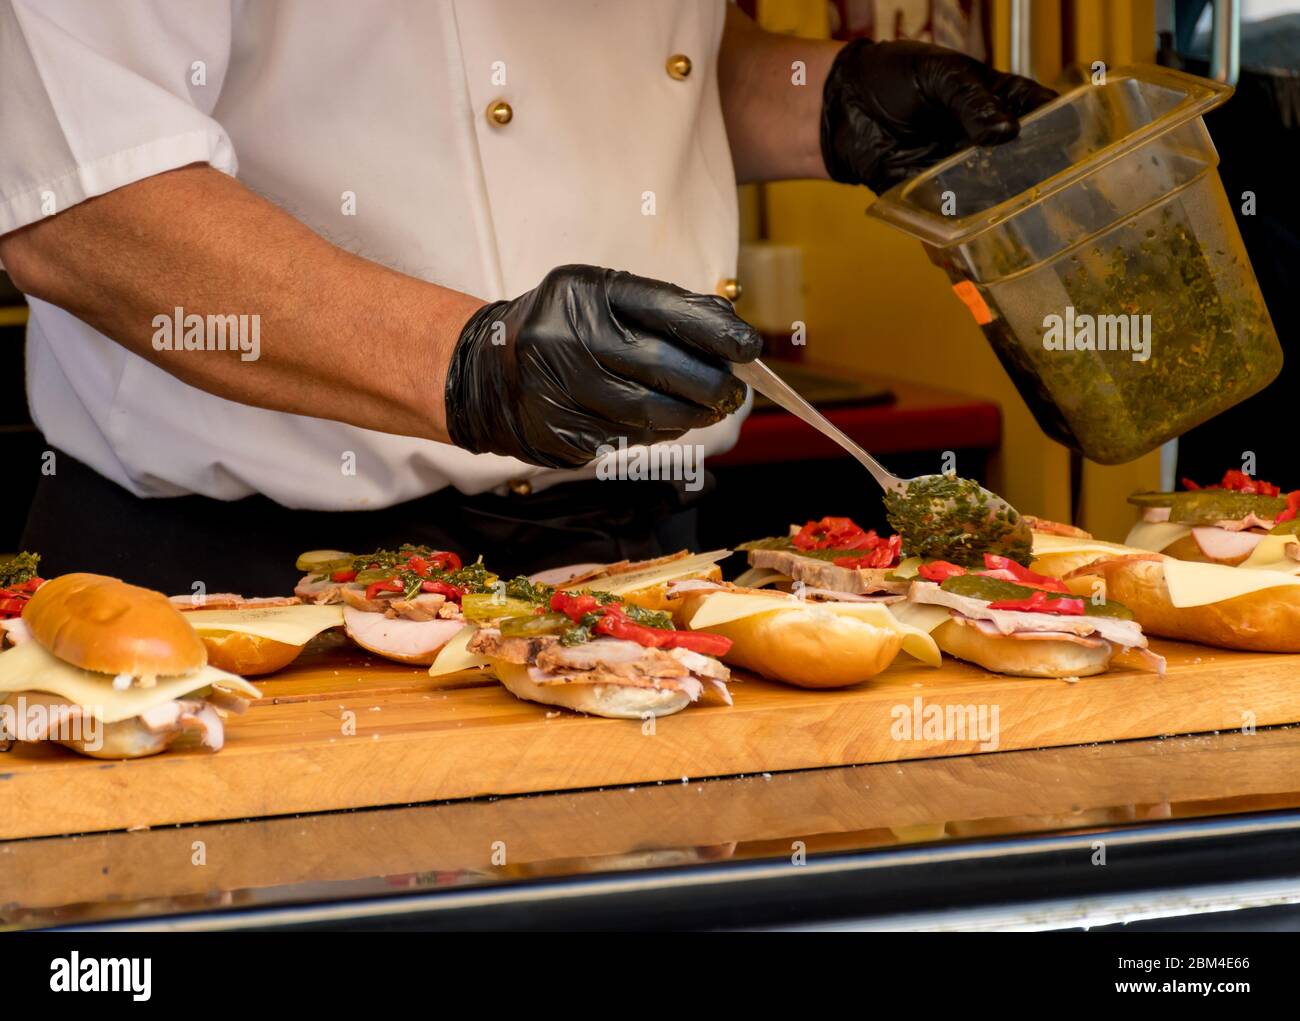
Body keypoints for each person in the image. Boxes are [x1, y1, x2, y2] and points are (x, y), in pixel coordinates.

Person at [0, 0, 1053, 591]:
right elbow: (82, 205)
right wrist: (470, 364)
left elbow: (642, 75)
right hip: (248, 586)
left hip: (637, 566)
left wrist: (827, 99)